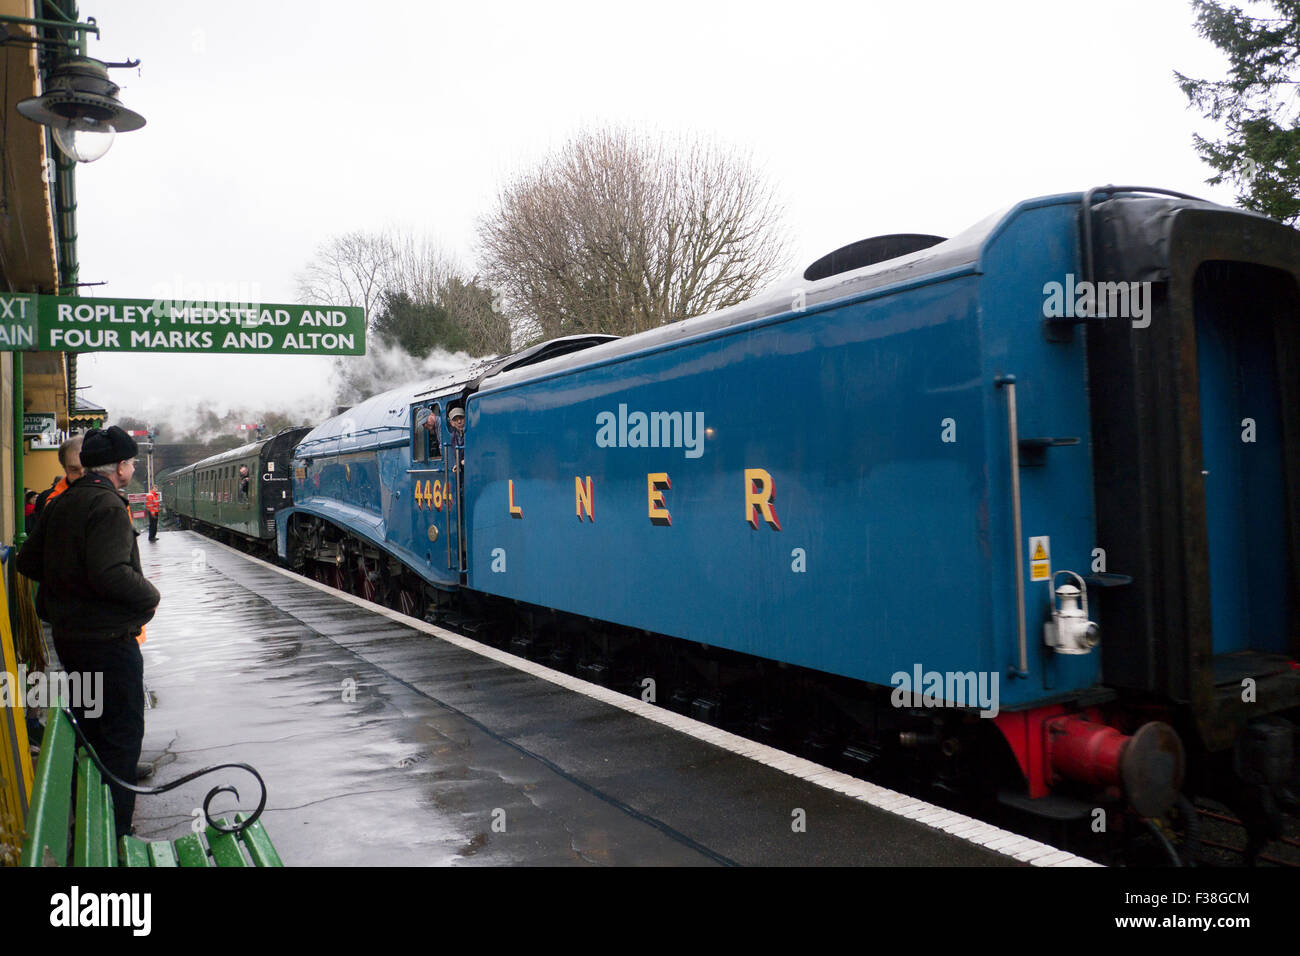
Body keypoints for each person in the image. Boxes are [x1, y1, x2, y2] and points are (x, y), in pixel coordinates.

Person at [17, 425, 160, 839]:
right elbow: (111, 572)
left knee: (92, 728)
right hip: (108, 643)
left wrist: (66, 586)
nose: (132, 468)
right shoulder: (108, 505)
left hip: (70, 639)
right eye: (131, 462)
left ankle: (91, 820)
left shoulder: (62, 503)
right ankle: (114, 835)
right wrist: (150, 597)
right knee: (121, 737)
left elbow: (27, 561)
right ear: (118, 468)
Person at [31, 434, 83, 521]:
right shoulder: (51, 501)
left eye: (88, 468)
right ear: (65, 468)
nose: (82, 474)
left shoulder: (105, 495)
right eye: (74, 469)